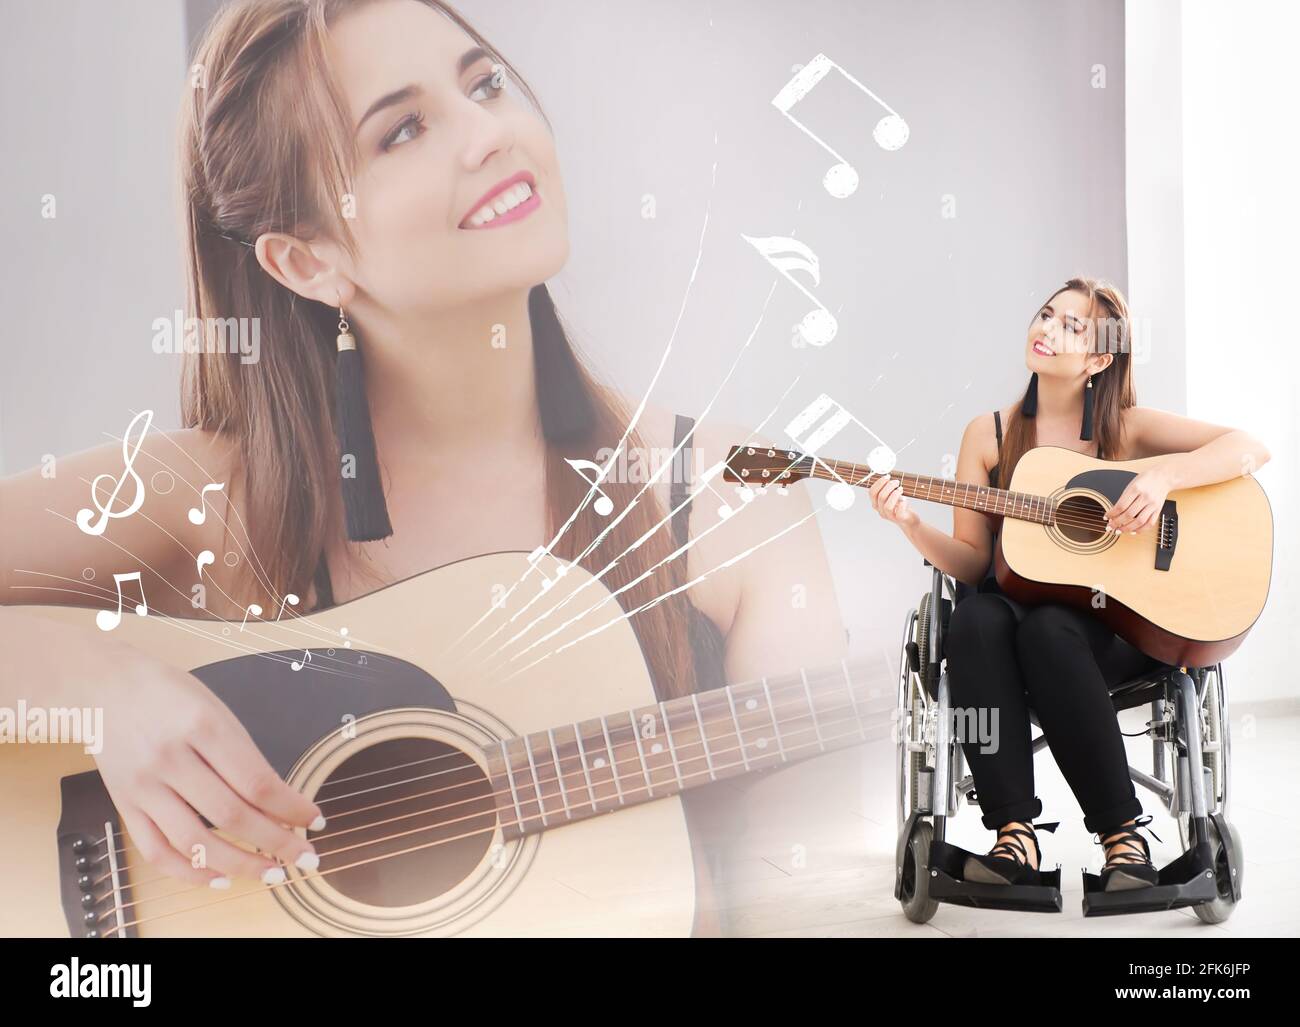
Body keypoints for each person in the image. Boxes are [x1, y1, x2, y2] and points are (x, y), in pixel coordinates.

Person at [0, 0, 847, 935]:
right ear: (303, 259)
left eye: (484, 83)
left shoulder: (731, 496)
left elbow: (804, 900)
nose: (490, 134)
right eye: (403, 129)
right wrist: (101, 692)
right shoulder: (217, 502)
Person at [867, 277, 1270, 891]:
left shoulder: (1126, 429)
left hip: (1109, 638)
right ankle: (1014, 838)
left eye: (1070, 327)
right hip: (1001, 641)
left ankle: (1122, 840)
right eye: (1046, 315)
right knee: (976, 618)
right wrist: (910, 523)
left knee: (1052, 630)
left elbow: (1250, 448)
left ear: (1100, 359)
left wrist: (1162, 477)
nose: (1047, 330)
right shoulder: (989, 435)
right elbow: (975, 565)